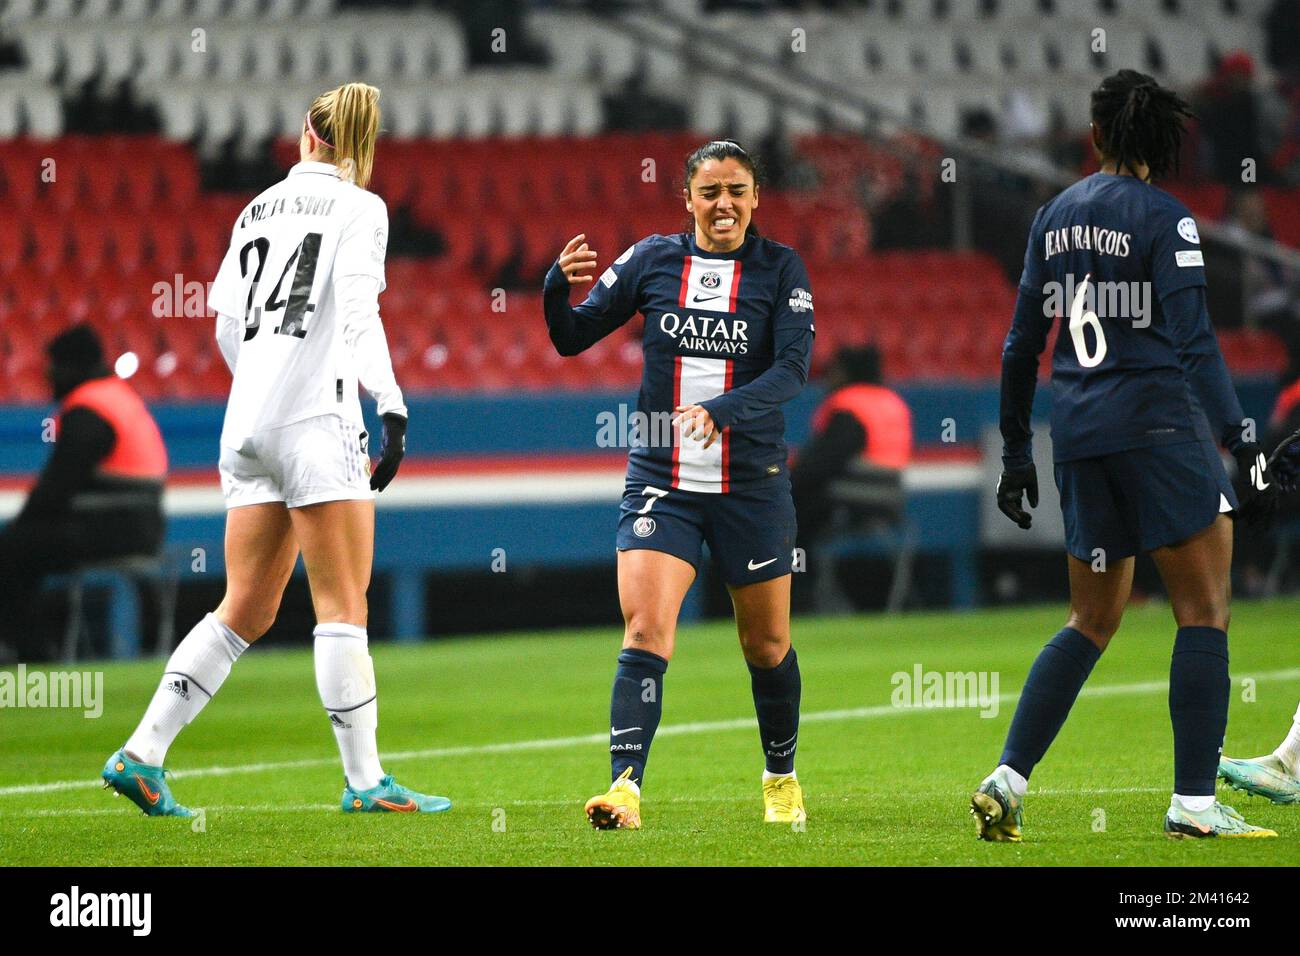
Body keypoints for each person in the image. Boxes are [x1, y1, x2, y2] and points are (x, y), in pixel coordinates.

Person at [100, 82, 450, 817]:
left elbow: (227, 323)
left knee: (245, 609)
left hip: (247, 423)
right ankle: (365, 782)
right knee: (342, 602)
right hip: (318, 421)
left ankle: (142, 753)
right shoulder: (362, 207)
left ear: (305, 134)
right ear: (359, 144)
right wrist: (389, 402)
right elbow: (358, 310)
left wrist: (264, 384)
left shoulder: (255, 207)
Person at [973, 70, 1288, 841]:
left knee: (1090, 617)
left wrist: (1019, 450)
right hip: (1157, 430)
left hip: (1079, 436)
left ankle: (1007, 778)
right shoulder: (1167, 221)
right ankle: (1192, 803)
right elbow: (1193, 340)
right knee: (1204, 611)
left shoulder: (1052, 216)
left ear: (1098, 136)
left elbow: (1021, 346)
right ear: (1162, 142)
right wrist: (1242, 439)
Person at [543, 140, 814, 829]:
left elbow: (791, 370)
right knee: (644, 630)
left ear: (755, 198)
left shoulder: (781, 270)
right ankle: (624, 789)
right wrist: (553, 288)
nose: (724, 204)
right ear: (687, 199)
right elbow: (572, 337)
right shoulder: (651, 260)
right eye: (710, 192)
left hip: (750, 481)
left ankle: (780, 776)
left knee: (767, 647)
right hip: (662, 478)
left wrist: (720, 412)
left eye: (737, 191)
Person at [0, 325, 167, 662]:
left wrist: (19, 528)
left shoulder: (89, 409)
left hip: (113, 529)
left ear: (73, 367)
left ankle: (32, 653)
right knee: (20, 549)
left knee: (11, 550)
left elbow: (55, 489)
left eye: (56, 366)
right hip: (140, 526)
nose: (50, 375)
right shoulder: (118, 397)